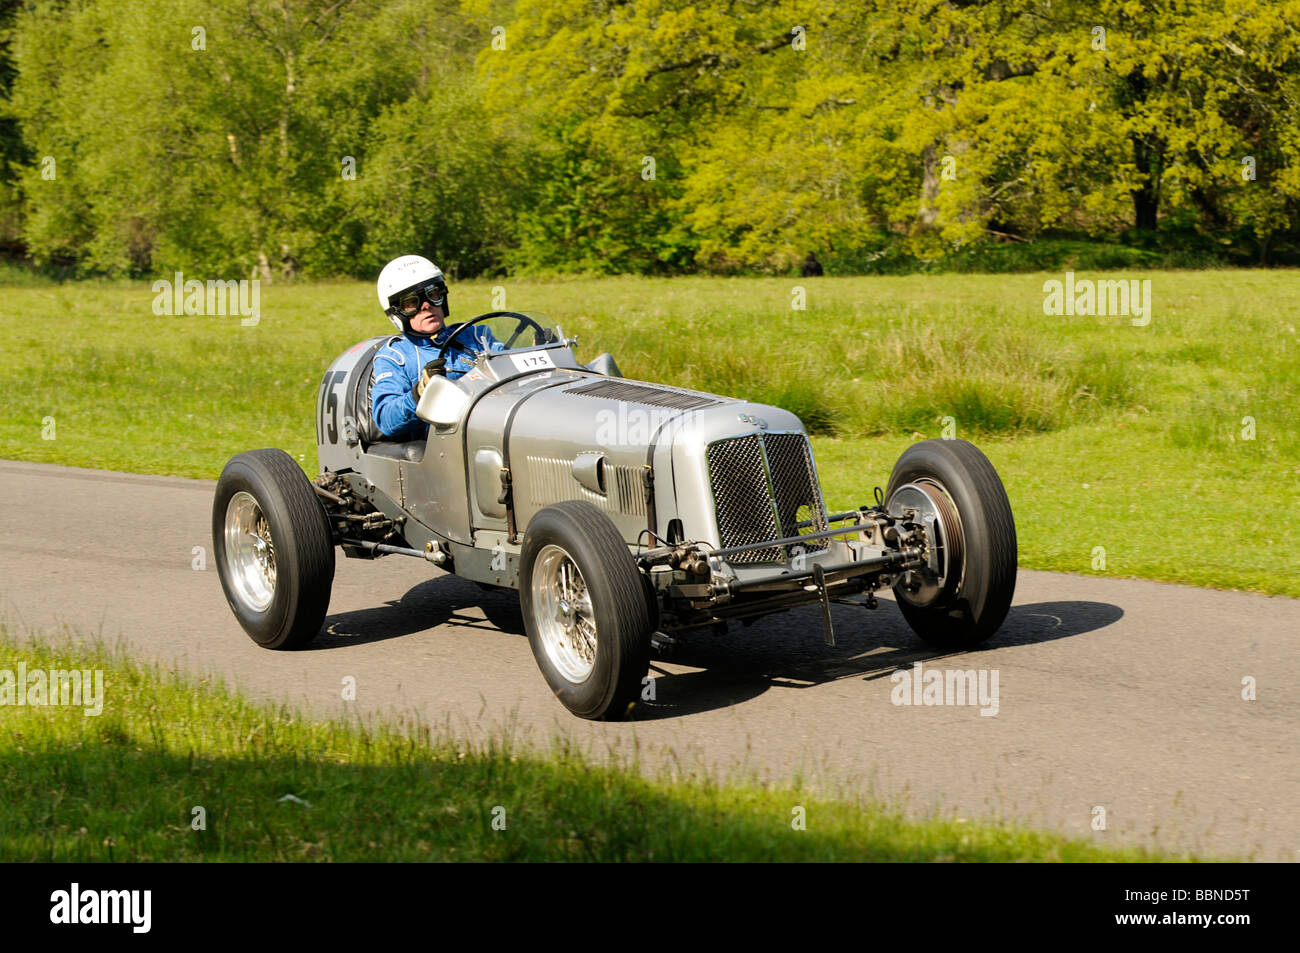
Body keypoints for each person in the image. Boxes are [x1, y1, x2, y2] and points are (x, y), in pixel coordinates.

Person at [370, 255, 505, 440]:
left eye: (433, 295)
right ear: (397, 313)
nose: (426, 306)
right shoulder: (395, 356)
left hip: (495, 429)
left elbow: (510, 366)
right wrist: (421, 391)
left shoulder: (476, 336)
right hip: (441, 452)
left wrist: (537, 353)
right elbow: (386, 420)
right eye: (411, 303)